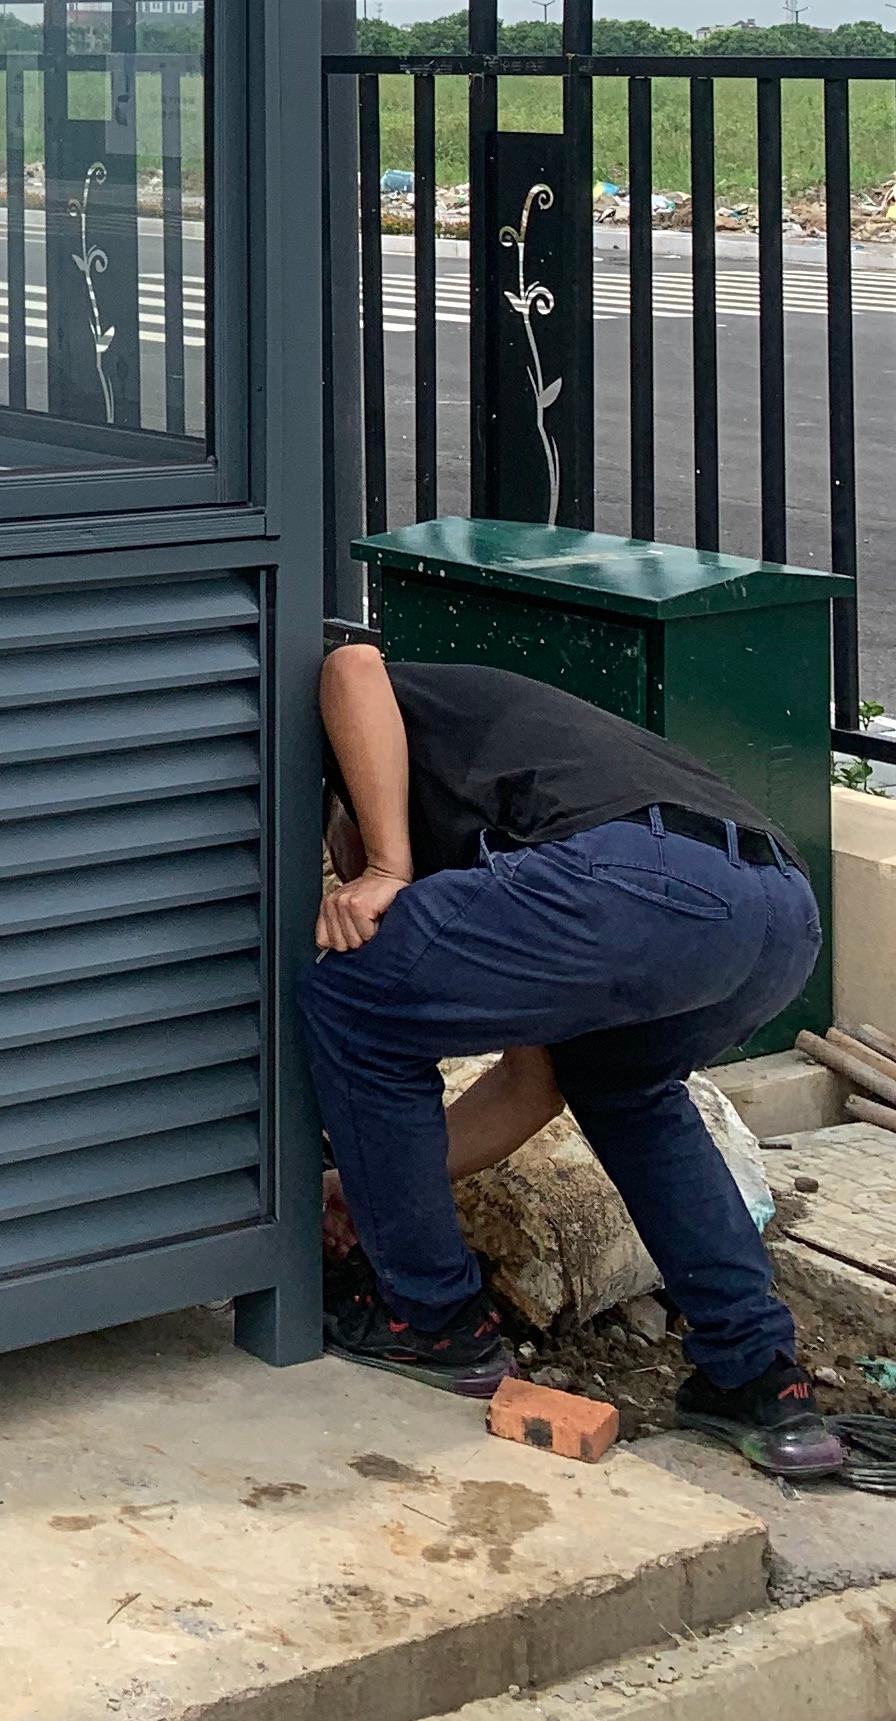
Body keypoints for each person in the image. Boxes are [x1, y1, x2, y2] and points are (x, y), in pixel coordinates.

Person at [305, 633, 847, 1480]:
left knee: (350, 996)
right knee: (625, 1088)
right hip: (776, 912)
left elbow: (351, 665)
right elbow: (531, 1086)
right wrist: (365, 1186)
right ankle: (759, 1379)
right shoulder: (516, 801)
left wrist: (381, 865)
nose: (341, 889)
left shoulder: (369, 726)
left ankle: (432, 1324)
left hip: (631, 874)